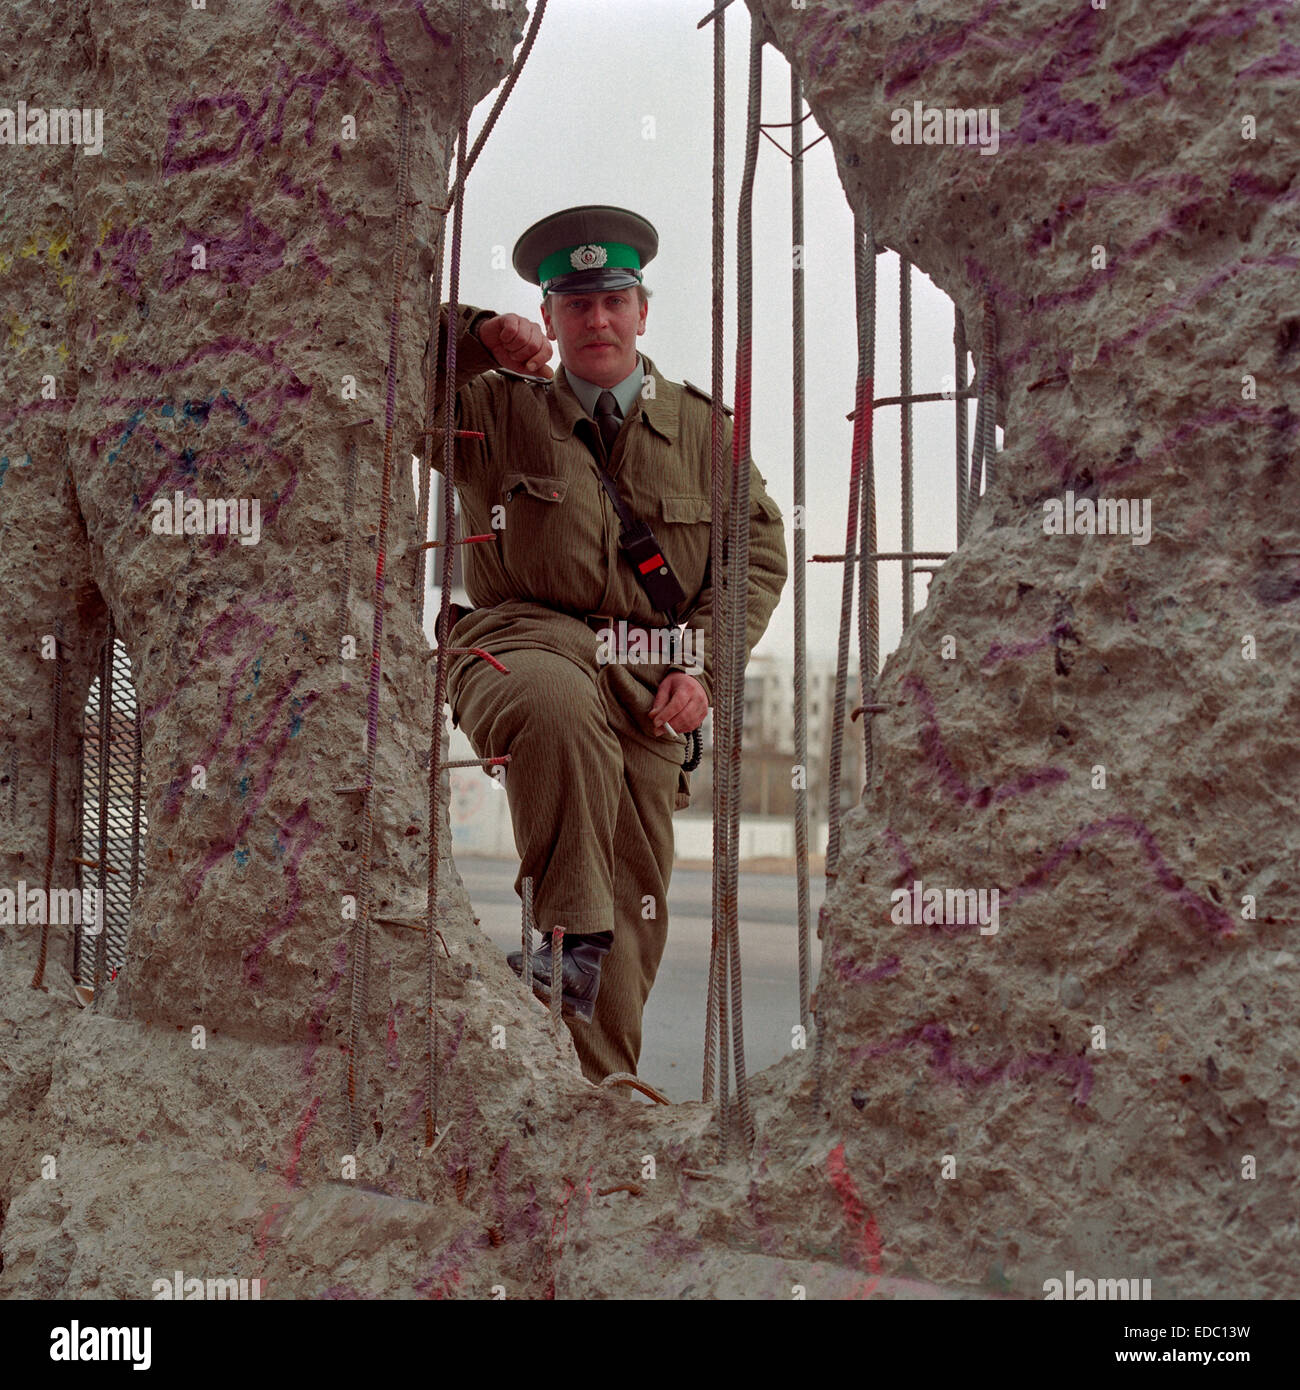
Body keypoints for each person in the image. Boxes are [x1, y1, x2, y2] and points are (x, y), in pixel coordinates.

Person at [430, 205, 787, 1083]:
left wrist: (702, 663)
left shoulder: (708, 435)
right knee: (553, 707)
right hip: (521, 637)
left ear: (642, 311)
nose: (597, 319)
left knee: (634, 913)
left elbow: (755, 556)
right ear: (548, 317)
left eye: (613, 299)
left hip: (645, 679)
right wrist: (477, 334)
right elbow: (383, 359)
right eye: (574, 302)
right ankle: (573, 934)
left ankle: (593, 1098)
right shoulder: (489, 409)